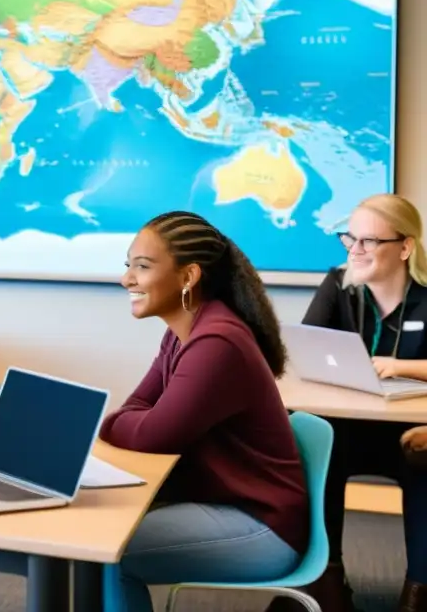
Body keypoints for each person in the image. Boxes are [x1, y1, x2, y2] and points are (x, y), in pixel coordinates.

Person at [99, 211, 308, 612]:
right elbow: (137, 413)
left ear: (188, 276)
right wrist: (127, 422)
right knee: (96, 542)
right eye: (129, 266)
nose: (127, 279)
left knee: (108, 550)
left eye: (141, 267)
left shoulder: (217, 343)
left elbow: (151, 435)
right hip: (221, 504)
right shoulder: (184, 332)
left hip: (261, 528)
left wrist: (121, 423)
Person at [298, 193, 427, 612]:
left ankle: (419, 591)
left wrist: (403, 366)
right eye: (349, 238)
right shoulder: (338, 284)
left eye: (369, 241)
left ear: (405, 247)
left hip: (412, 434)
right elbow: (305, 350)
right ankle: (326, 582)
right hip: (350, 427)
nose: (355, 250)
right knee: (317, 451)